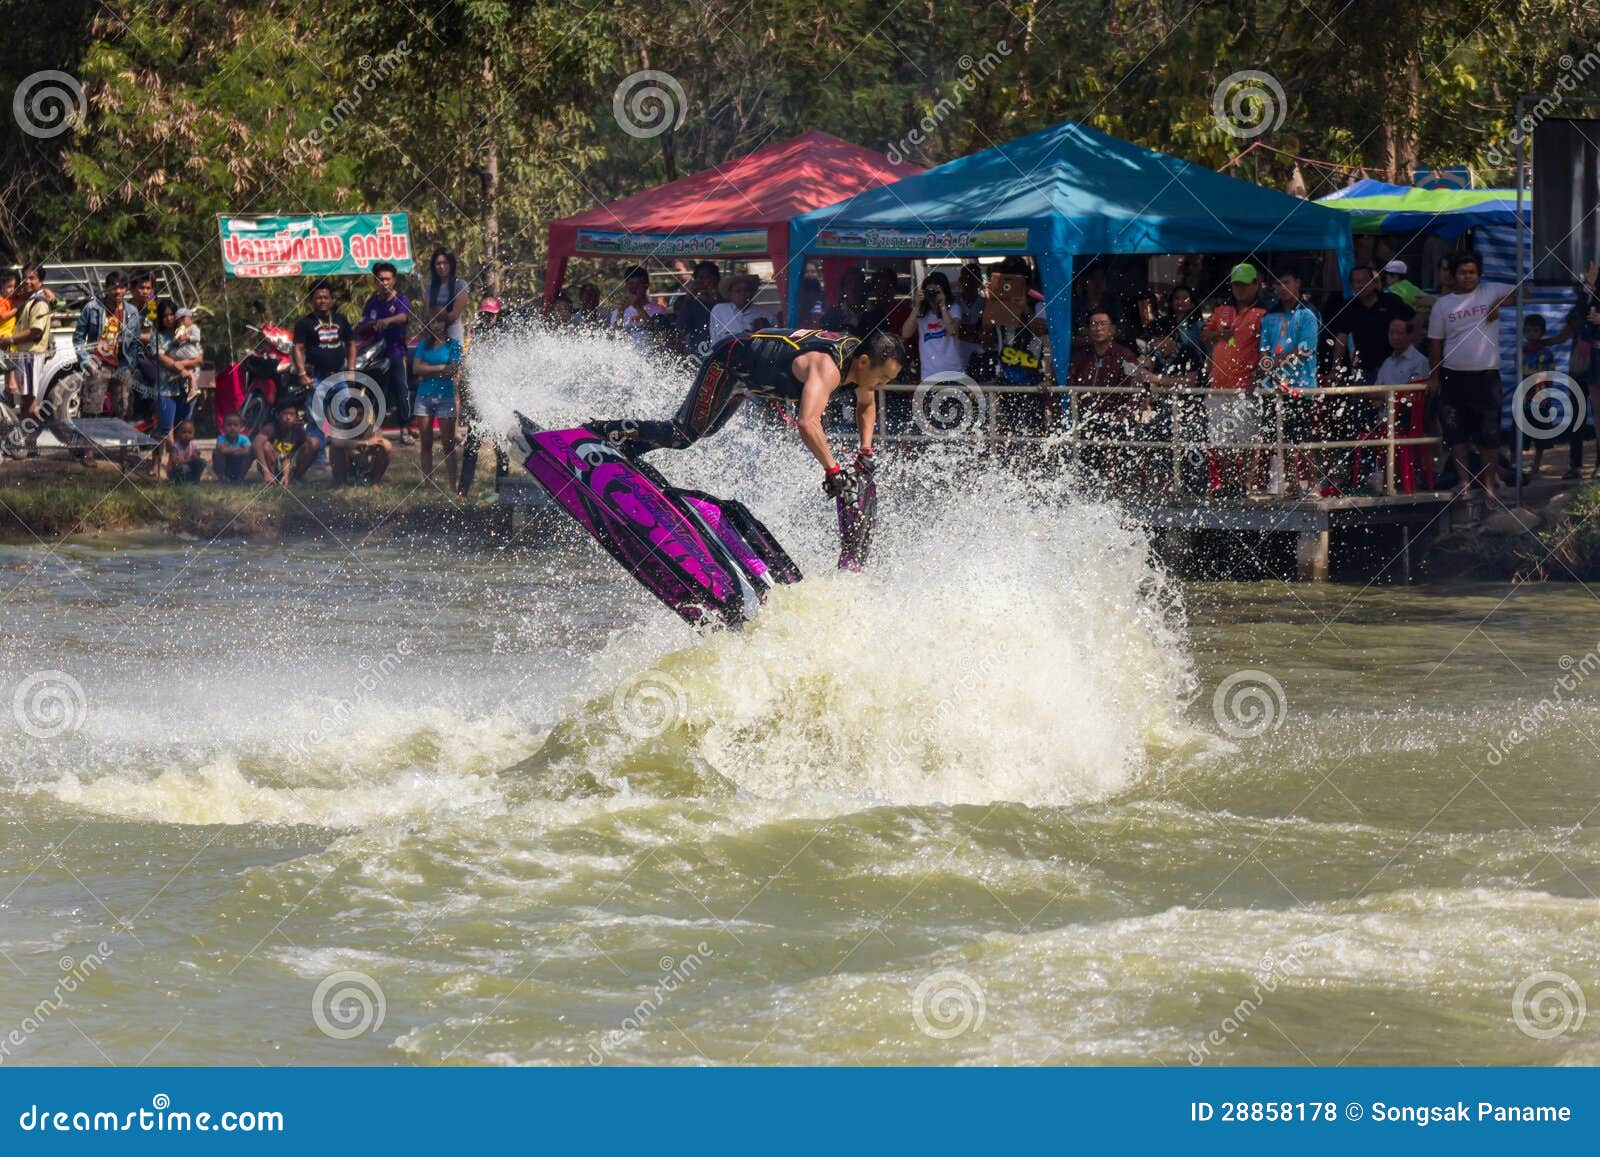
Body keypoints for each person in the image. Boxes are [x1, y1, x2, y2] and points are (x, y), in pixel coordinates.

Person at [587, 328, 905, 500]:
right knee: (682, 434)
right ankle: (602, 432)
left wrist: (866, 450)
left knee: (703, 431)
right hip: (730, 361)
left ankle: (628, 450)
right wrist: (833, 471)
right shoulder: (828, 368)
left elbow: (867, 405)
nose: (882, 385)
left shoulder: (861, 365)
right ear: (864, 362)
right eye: (883, 378)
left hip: (747, 382)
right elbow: (807, 422)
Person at [1427, 252, 1517, 494]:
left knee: (1489, 433)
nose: (1467, 277)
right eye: (1462, 272)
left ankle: (1490, 482)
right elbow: (1435, 343)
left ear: (1479, 274)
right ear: (1454, 275)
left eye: (1472, 272)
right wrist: (1434, 376)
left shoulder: (1491, 290)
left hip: (1486, 376)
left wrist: (1500, 303)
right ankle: (1464, 481)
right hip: (1453, 376)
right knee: (1457, 434)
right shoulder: (1442, 305)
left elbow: (1524, 293)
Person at [1201, 263, 1269, 491]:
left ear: (1256, 284)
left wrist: (1257, 381)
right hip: (1218, 387)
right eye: (1235, 285)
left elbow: (1265, 349)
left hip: (1245, 387)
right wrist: (1220, 333)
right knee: (1222, 440)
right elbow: (1203, 335)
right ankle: (1230, 484)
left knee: (1248, 439)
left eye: (1243, 285)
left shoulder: (1264, 313)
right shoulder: (1221, 310)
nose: (1239, 289)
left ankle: (1247, 484)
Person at [1259, 267, 1323, 493]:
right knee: (1277, 434)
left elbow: (1306, 348)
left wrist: (1276, 364)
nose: (1281, 288)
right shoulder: (1269, 315)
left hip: (1301, 384)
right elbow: (1264, 349)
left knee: (1302, 435)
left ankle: (1312, 482)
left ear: (1297, 281)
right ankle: (1288, 481)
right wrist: (1268, 365)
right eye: (1277, 284)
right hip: (1275, 385)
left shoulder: (1308, 313)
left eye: (1285, 281)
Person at [1067, 308, 1137, 485]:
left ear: (1112, 329)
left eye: (1102, 324)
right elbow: (1069, 381)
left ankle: (1119, 484)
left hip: (1115, 417)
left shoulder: (1124, 355)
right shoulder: (1080, 355)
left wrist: (1123, 414)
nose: (1098, 328)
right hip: (1084, 416)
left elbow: (1136, 389)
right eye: (1093, 324)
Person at [72, 271, 142, 425]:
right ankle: (88, 449)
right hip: (97, 365)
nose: (118, 291)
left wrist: (131, 365)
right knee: (90, 411)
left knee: (124, 412)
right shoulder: (92, 308)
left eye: (122, 287)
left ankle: (123, 449)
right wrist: (86, 361)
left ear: (127, 289)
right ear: (106, 288)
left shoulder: (132, 312)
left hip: (122, 366)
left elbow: (135, 343)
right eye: (114, 287)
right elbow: (78, 338)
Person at [1328, 265, 1415, 384]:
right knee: (1361, 401)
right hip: (1363, 370)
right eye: (1355, 282)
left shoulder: (1390, 300)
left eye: (1363, 281)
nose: (1359, 285)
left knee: (1392, 401)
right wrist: (1335, 368)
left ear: (1373, 283)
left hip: (1393, 366)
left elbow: (1414, 320)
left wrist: (1410, 350)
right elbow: (1341, 338)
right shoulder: (1349, 306)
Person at [458, 296, 510, 496]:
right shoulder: (475, 335)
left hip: (499, 400)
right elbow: (468, 368)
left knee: (501, 447)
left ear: (497, 315)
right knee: (472, 445)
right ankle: (463, 489)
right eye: (485, 314)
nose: (488, 317)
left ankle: (502, 490)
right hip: (479, 401)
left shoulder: (506, 336)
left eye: (491, 314)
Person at [292, 279, 356, 439]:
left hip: (339, 375)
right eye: (318, 298)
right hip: (316, 378)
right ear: (312, 300)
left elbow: (351, 344)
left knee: (344, 413)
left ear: (331, 299)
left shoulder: (340, 319)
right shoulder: (304, 323)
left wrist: (352, 369)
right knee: (316, 418)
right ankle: (318, 458)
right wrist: (301, 374)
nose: (323, 301)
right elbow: (297, 348)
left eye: (326, 297)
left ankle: (344, 457)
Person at [1, 264, 54, 454]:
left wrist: (10, 339)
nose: (28, 281)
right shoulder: (29, 299)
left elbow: (35, 331)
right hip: (21, 356)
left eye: (32, 278)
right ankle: (23, 441)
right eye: (25, 278)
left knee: (30, 402)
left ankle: (30, 442)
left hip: (31, 356)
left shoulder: (39, 302)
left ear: (40, 281)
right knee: (24, 400)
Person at [360, 261, 413, 442]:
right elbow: (364, 322)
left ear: (394, 280)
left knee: (401, 388)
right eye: (380, 279)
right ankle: (374, 430)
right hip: (375, 353)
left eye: (388, 279)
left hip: (396, 351)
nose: (384, 283)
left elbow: (404, 316)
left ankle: (405, 430)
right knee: (376, 390)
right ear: (375, 281)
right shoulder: (372, 302)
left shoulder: (401, 299)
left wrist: (388, 321)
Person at [409, 313, 462, 482]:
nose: (436, 325)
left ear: (446, 324)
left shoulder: (454, 345)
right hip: (424, 397)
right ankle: (428, 483)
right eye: (433, 321)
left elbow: (452, 371)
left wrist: (428, 369)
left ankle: (453, 484)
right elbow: (415, 369)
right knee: (426, 442)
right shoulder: (423, 345)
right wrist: (440, 367)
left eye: (440, 321)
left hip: (445, 397)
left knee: (448, 443)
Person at [149, 300, 199, 476]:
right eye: (165, 316)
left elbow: (199, 357)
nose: (169, 319)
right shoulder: (157, 336)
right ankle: (156, 464)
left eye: (172, 315)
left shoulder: (187, 333)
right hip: (165, 388)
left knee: (181, 427)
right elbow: (159, 357)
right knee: (164, 427)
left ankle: (175, 467)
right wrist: (179, 367)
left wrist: (184, 366)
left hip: (184, 388)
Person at [899, 271, 964, 382]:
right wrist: (917, 306)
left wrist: (942, 305)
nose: (933, 296)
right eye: (930, 292)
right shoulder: (922, 312)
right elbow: (905, 333)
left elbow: (952, 330)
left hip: (953, 373)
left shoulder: (953, 308)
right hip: (929, 375)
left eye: (936, 292)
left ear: (944, 292)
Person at [254, 403, 318, 487]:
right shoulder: (270, 428)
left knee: (314, 442)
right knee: (266, 446)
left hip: (289, 464)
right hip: (273, 463)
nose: (288, 417)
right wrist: (265, 471)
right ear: (278, 415)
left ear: (296, 416)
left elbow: (305, 451)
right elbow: (256, 444)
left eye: (292, 414)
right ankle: (271, 478)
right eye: (285, 413)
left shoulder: (298, 430)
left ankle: (296, 477)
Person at [609, 265, 669, 348]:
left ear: (646, 285)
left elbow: (659, 336)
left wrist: (638, 307)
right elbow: (614, 338)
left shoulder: (659, 310)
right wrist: (620, 312)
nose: (635, 289)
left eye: (638, 285)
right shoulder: (617, 311)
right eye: (631, 285)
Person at [708, 274, 770, 349]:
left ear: (752, 293)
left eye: (746, 290)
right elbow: (715, 340)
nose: (742, 294)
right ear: (730, 293)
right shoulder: (719, 310)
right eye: (738, 291)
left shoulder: (766, 314)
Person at [675, 261, 721, 355]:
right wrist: (689, 297)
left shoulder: (725, 303)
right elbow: (682, 327)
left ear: (716, 279)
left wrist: (717, 295)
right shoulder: (690, 304)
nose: (705, 282)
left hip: (720, 350)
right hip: (697, 352)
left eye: (708, 277)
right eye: (700, 278)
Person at [425, 248, 469, 341]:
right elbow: (428, 313)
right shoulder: (429, 288)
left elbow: (455, 314)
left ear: (451, 264)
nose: (441, 266)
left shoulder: (460, 285)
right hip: (434, 336)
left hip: (453, 334)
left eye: (445, 263)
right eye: (438, 264)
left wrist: (439, 322)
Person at [822, 267, 869, 335]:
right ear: (844, 288)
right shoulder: (832, 315)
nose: (853, 287)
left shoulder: (875, 315)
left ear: (863, 286)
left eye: (858, 282)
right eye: (849, 283)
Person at [212, 410, 255, 482]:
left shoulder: (244, 438)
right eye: (229, 425)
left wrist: (229, 450)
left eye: (235, 425)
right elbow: (222, 450)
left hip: (239, 465)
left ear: (241, 427)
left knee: (250, 453)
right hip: (226, 466)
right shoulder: (221, 438)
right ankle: (222, 478)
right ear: (223, 427)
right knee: (216, 453)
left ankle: (240, 478)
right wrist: (239, 449)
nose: (232, 428)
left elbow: (248, 450)